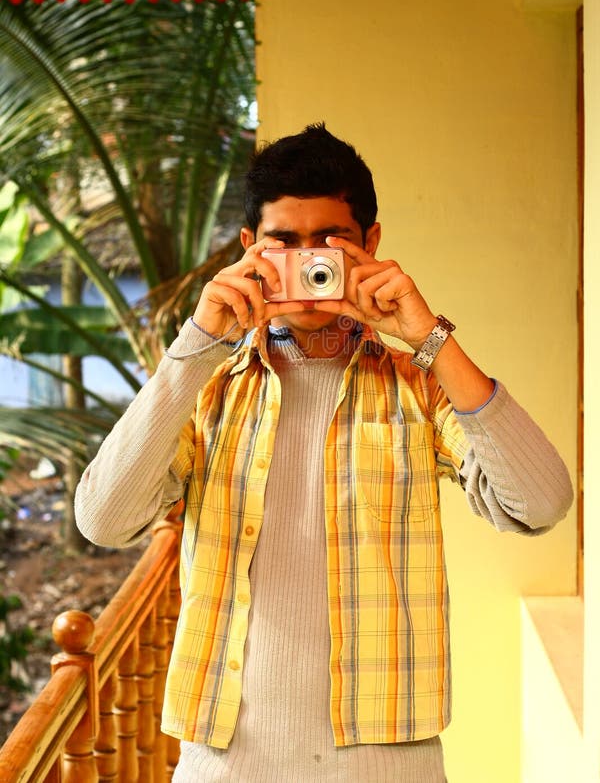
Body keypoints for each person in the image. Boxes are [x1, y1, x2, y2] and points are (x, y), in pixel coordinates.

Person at [75, 123, 573, 783]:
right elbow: (103, 521)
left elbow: (541, 504)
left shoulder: (418, 386)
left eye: (329, 244)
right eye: (284, 244)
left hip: (389, 764)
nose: (307, 265)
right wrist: (199, 340)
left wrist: (428, 336)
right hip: (224, 762)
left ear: (370, 245)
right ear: (249, 248)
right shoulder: (210, 389)